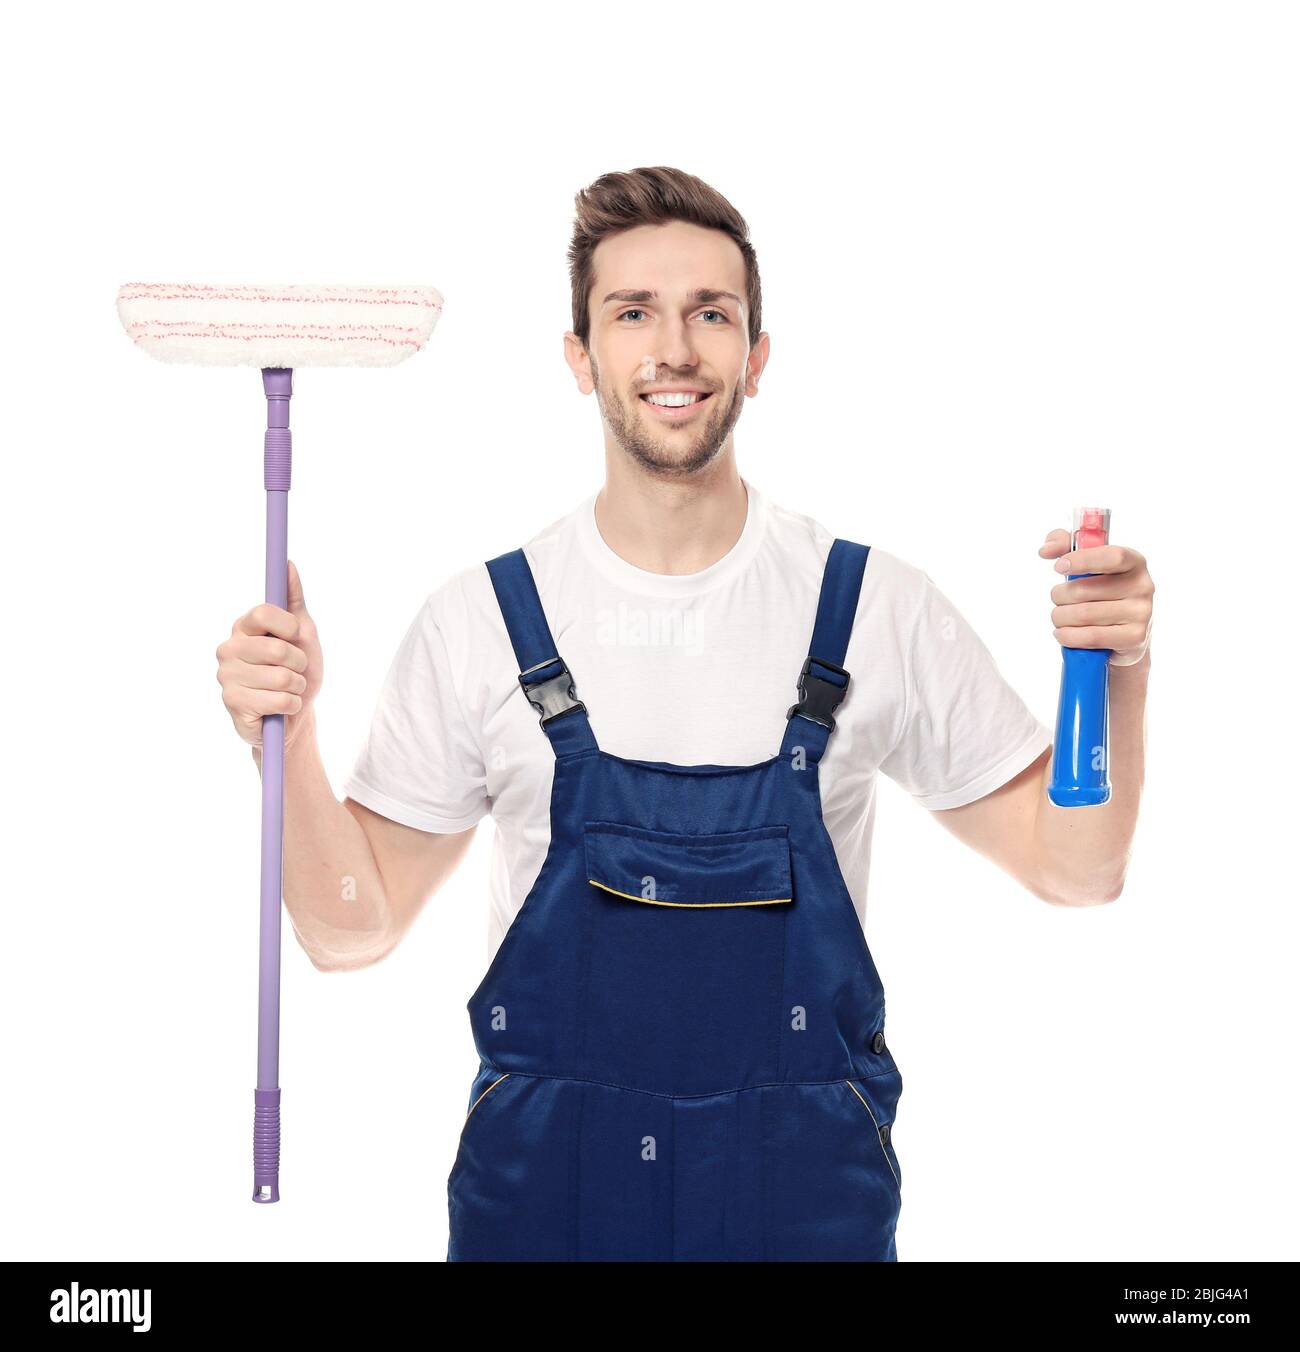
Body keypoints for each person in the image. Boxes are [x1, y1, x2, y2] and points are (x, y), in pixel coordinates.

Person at [214, 166, 1154, 1261]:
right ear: (579, 356)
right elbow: (347, 927)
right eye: (632, 313)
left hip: (802, 1212)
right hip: (544, 1210)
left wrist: (1115, 664)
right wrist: (289, 733)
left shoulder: (869, 609)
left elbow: (1078, 868)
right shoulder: (479, 622)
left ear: (757, 356)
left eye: (711, 313)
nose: (674, 347)